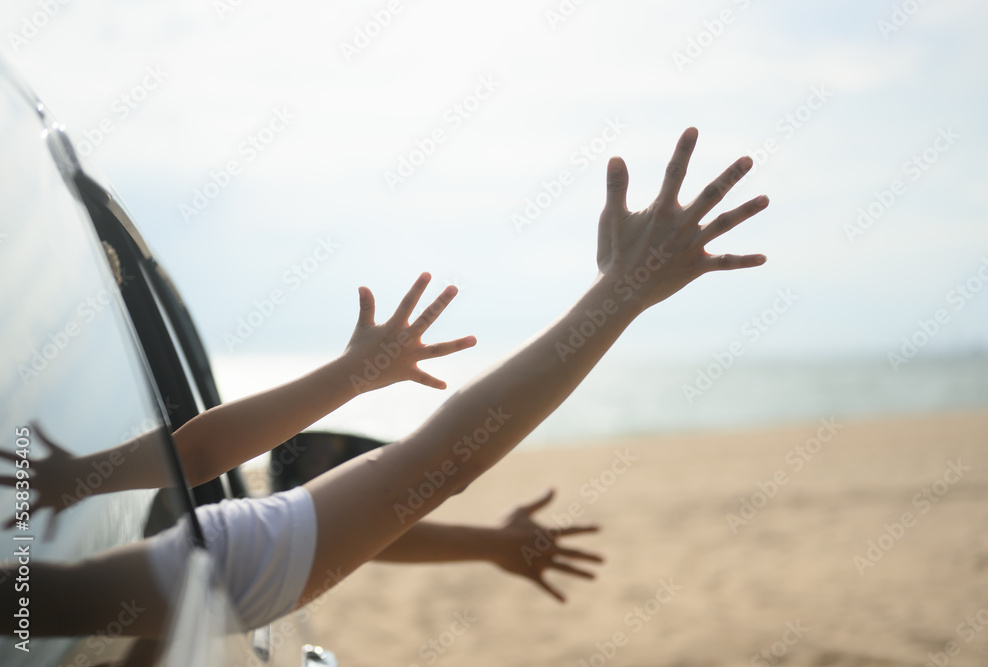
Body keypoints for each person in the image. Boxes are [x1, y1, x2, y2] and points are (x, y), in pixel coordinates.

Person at [5, 127, 769, 638]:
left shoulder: (41, 601)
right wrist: (620, 293)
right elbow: (429, 467)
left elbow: (213, 468)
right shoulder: (66, 599)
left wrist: (77, 478)